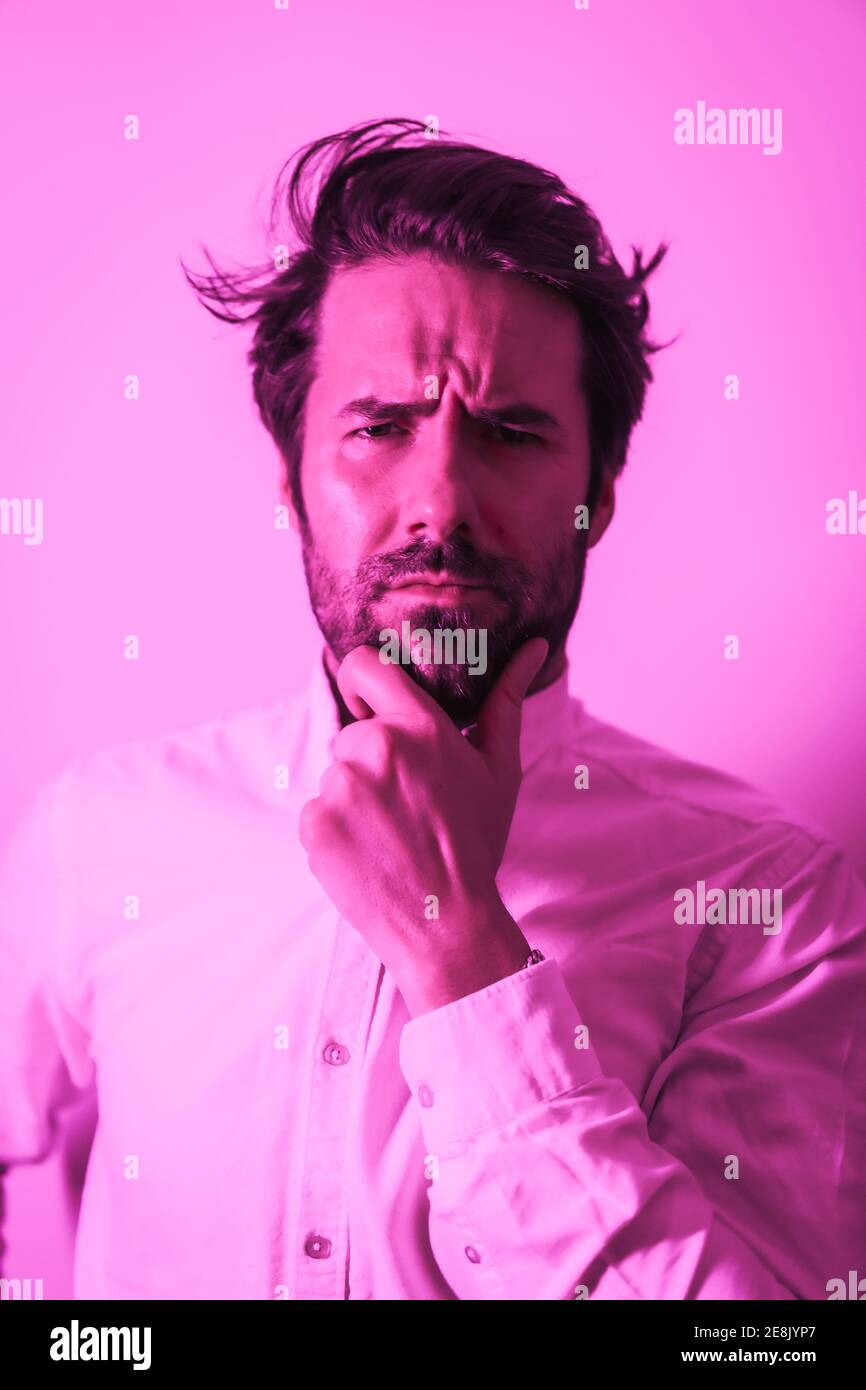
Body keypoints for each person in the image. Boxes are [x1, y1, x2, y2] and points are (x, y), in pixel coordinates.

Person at [1, 118, 864, 1301]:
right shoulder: (96, 832)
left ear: (598, 495)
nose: (440, 502)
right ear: (291, 483)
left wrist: (456, 948)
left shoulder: (774, 901)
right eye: (377, 428)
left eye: (510, 433)